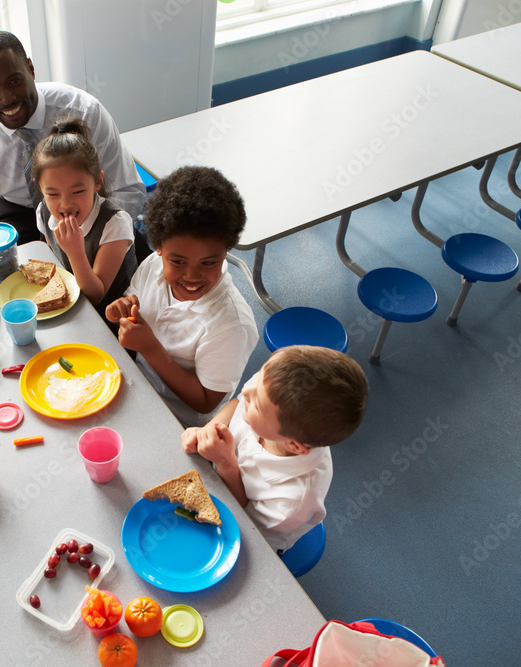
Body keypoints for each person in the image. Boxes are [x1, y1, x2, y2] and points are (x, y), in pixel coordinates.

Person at [0, 30, 145, 245]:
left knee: (135, 272)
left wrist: (96, 240)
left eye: (14, 81)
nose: (6, 98)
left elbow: (127, 190)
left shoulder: (85, 110)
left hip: (86, 208)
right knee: (13, 271)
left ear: (31, 69)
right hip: (20, 208)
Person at [105, 166, 258, 427]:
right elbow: (132, 303)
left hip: (181, 424)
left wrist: (150, 347)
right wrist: (120, 309)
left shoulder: (231, 326)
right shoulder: (153, 265)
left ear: (226, 251)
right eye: (178, 261)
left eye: (209, 263)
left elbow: (205, 402)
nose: (192, 276)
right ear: (159, 248)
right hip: (139, 386)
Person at [182, 346, 369, 552]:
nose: (246, 391)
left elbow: (246, 519)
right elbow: (238, 402)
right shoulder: (269, 389)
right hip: (218, 474)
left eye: (256, 404)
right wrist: (207, 431)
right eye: (255, 383)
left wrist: (225, 463)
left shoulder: (294, 501)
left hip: (256, 536)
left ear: (293, 445)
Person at [32, 118, 136, 317]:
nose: (65, 204)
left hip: (112, 315)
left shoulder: (115, 224)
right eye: (53, 194)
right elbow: (54, 260)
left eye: (78, 191)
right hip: (72, 305)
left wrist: (75, 251)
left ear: (98, 182)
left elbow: (96, 296)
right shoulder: (44, 210)